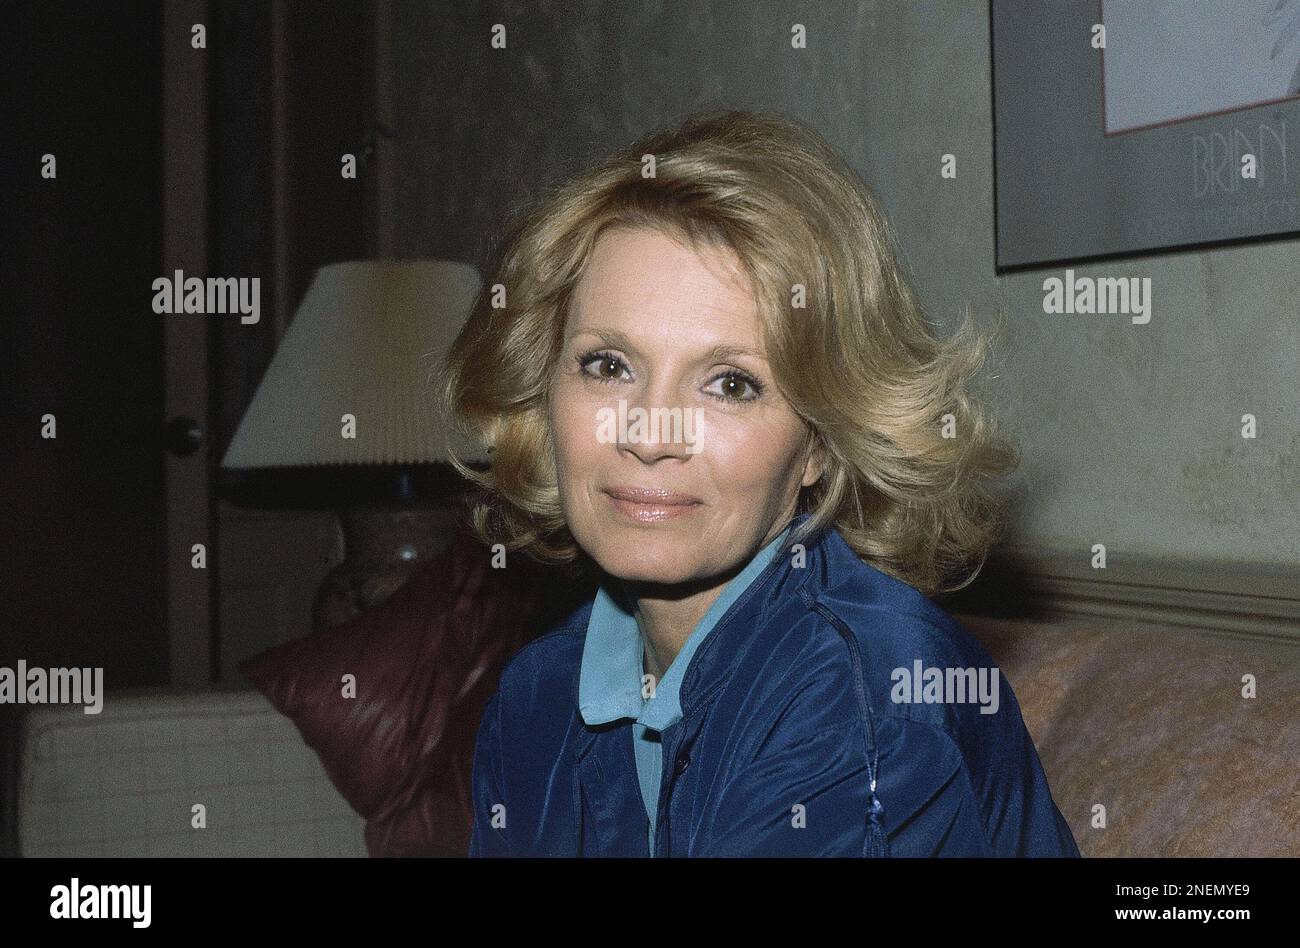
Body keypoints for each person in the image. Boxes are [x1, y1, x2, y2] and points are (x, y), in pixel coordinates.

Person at [441, 108, 1080, 857]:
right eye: (607, 365)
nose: (649, 434)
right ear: (545, 394)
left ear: (820, 443)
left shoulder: (866, 696)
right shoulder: (536, 697)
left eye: (730, 384)